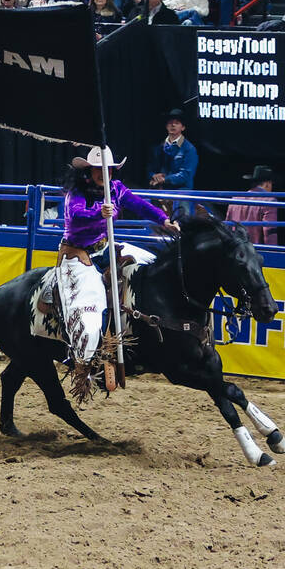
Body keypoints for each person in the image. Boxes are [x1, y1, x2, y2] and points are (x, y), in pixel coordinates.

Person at [59, 147, 177, 397]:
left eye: (109, 170)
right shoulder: (76, 193)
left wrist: (163, 219)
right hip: (78, 253)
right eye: (100, 170)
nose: (105, 174)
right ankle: (89, 354)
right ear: (89, 171)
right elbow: (75, 215)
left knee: (149, 264)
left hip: (105, 247)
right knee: (91, 303)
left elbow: (139, 205)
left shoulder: (117, 189)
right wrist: (98, 212)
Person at [147, 108, 198, 192]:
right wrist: (154, 176)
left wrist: (164, 179)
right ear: (166, 126)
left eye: (177, 123)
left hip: (181, 192)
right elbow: (149, 169)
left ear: (183, 127)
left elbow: (186, 175)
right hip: (160, 190)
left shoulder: (189, 149)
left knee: (182, 205)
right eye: (170, 123)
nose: (173, 125)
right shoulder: (158, 148)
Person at [225, 165, 277, 246]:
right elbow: (269, 232)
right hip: (255, 252)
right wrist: (274, 254)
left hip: (236, 250)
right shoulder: (269, 201)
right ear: (267, 184)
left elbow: (227, 227)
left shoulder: (235, 199)